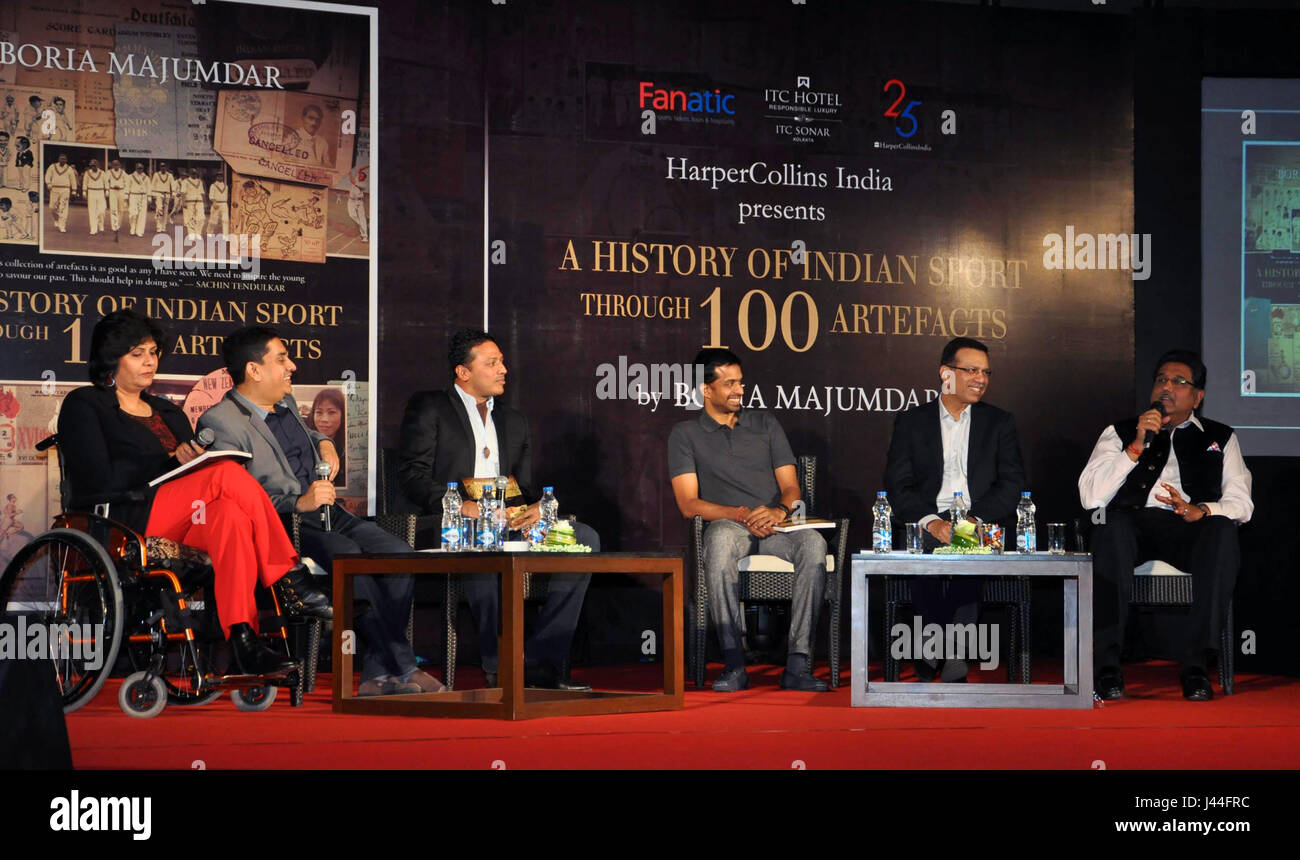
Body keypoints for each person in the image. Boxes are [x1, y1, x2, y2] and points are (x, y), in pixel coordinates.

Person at [55, 310, 331, 676]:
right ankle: (289, 579)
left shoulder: (168, 411)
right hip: (123, 518)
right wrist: (167, 462)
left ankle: (242, 638)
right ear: (111, 357)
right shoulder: (85, 405)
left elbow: (189, 473)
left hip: (182, 518)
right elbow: (95, 478)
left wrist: (185, 464)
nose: (149, 361)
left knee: (230, 516)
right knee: (225, 475)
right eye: (137, 353)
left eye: (153, 352)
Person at [198, 327, 440, 696]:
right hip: (282, 524)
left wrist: (325, 443)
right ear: (254, 370)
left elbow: (307, 438)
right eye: (281, 359)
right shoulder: (220, 422)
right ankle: (403, 666)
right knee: (352, 559)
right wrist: (297, 503)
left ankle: (376, 675)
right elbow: (237, 496)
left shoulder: (287, 404)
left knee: (400, 556)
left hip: (328, 511)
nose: (292, 366)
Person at [397, 328, 594, 690]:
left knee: (583, 539)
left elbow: (524, 487)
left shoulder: (513, 420)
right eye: (492, 363)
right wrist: (461, 505)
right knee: (483, 543)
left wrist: (536, 508)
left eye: (502, 361)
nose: (504, 369)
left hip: (510, 523)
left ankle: (541, 662)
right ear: (463, 372)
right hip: (453, 524)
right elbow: (411, 474)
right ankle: (499, 664)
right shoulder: (431, 407)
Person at [1079, 349, 1253, 702]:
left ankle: (1196, 668)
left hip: (1188, 528)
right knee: (1110, 528)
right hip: (1133, 526)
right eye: (1161, 380)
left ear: (1198, 396)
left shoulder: (1221, 437)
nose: (1167, 388)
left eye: (1179, 381)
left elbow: (1242, 503)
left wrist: (1201, 510)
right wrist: (1135, 447)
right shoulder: (1120, 433)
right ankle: (1107, 669)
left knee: (1221, 530)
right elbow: (1090, 497)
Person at [668, 348, 830, 693]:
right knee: (721, 540)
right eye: (729, 384)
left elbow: (790, 486)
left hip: (776, 525)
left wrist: (779, 512)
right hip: (730, 524)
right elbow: (688, 503)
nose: (739, 390)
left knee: (814, 543)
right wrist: (739, 514)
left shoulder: (765, 423)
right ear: (705, 389)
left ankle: (798, 663)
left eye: (741, 382)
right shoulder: (685, 434)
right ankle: (733, 662)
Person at [882, 336, 1025, 682]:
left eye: (986, 372)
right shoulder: (912, 422)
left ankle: (951, 652)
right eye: (971, 370)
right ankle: (939, 648)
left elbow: (1011, 484)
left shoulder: (998, 422)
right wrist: (931, 523)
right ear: (946, 374)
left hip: (979, 520)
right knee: (923, 550)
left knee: (967, 547)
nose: (981, 379)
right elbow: (899, 486)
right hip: (929, 519)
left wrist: (973, 520)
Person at [306, 387, 346, 486]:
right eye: (319, 412)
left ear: (343, 415)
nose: (324, 419)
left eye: (331, 412)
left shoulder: (348, 447)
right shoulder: (303, 437)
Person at [44, 152, 74, 233]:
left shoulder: (69, 169)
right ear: (58, 159)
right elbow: (47, 175)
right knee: (52, 207)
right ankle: (56, 219)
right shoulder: (52, 166)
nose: (62, 160)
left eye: (64, 159)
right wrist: (48, 183)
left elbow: (73, 180)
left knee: (63, 208)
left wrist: (74, 190)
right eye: (61, 158)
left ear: (66, 160)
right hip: (54, 189)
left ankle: (62, 226)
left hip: (65, 189)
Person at [81, 159, 107, 235]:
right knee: (92, 211)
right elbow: (85, 182)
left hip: (100, 192)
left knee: (101, 211)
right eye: (92, 166)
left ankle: (101, 225)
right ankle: (93, 229)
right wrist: (84, 191)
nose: (93, 167)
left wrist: (107, 190)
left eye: (94, 166)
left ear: (98, 165)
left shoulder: (102, 173)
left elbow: (105, 182)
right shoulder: (87, 173)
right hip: (91, 192)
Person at [126, 162, 150, 236]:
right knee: (133, 213)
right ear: (135, 168)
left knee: (142, 215)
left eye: (141, 168)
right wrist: (126, 195)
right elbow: (127, 186)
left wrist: (149, 196)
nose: (140, 170)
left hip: (143, 196)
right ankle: (132, 228)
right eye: (138, 168)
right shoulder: (130, 176)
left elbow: (148, 187)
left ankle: (139, 231)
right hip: (133, 195)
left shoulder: (146, 177)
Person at [106, 159, 127, 233]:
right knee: (113, 208)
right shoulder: (109, 172)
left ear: (120, 165)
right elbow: (106, 182)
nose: (116, 166)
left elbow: (126, 182)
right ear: (112, 165)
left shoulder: (123, 172)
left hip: (121, 191)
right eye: (114, 165)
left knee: (121, 209)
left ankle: (118, 225)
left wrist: (126, 193)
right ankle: (114, 226)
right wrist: (107, 190)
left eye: (117, 165)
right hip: (113, 191)